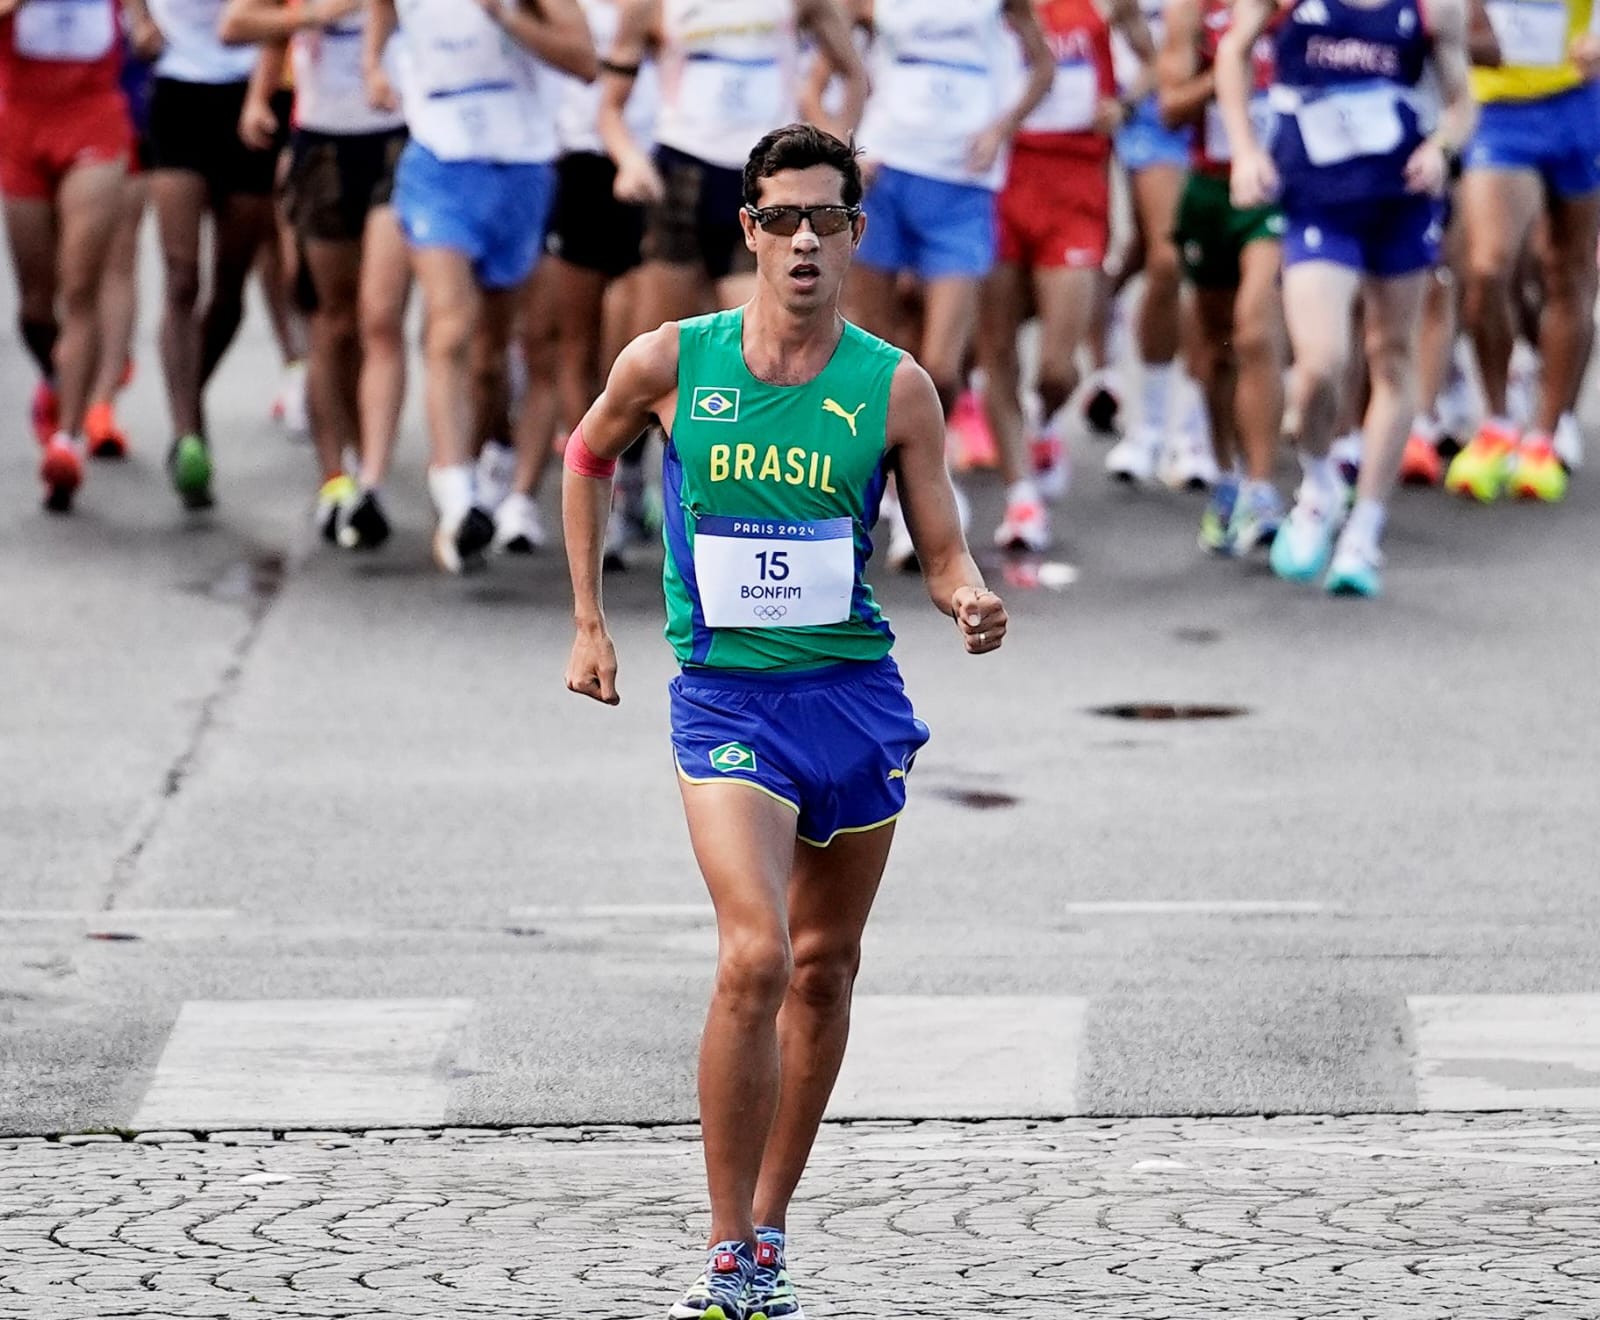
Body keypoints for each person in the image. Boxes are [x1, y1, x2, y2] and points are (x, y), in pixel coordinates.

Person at [563, 123, 1007, 1320]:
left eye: (827, 219)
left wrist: (965, 595)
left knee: (824, 968)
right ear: (747, 230)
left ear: (856, 233)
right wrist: (591, 623)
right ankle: (722, 1246)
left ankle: (767, 1229)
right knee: (754, 953)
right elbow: (585, 453)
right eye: (780, 219)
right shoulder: (673, 359)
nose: (804, 241)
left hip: (852, 696)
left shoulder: (893, 384)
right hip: (723, 697)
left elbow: (942, 546)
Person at [1221, 0, 1476, 596]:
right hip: (1317, 197)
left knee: (1391, 353)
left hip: (1400, 199)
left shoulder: (1433, 9)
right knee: (1320, 364)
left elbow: (1463, 101)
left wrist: (1441, 148)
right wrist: (1245, 149)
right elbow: (1233, 51)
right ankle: (1318, 483)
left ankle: (1365, 528)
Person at [367, 0, 596, 573]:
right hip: (438, 163)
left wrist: (509, 18)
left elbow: (585, 61)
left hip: (521, 169)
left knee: (491, 360)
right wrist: (375, 67)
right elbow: (383, 19)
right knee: (448, 327)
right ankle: (456, 495)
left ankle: (481, 467)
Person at [840, 0, 1054, 567]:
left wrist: (1001, 129)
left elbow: (1042, 65)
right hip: (885, 176)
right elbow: (830, 63)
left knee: (939, 367)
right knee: (874, 357)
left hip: (962, 181)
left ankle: (925, 477)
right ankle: (901, 495)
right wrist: (849, 145)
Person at [225, 0, 411, 546]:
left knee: (379, 316)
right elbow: (238, 22)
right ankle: (335, 475)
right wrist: (261, 95)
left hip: (395, 140)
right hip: (322, 144)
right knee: (334, 320)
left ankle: (371, 478)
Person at [981, 0, 1156, 551]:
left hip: (1076, 188)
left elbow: (1155, 62)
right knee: (997, 349)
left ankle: (1044, 420)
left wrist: (1124, 105)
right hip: (1002, 182)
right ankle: (1021, 498)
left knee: (1059, 367)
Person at [599, 0, 869, 326]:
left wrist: (837, 158)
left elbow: (853, 74)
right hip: (682, 170)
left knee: (764, 332)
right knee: (665, 338)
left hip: (765, 178)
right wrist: (629, 160)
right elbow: (610, 107)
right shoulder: (648, 5)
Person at [1444, 0, 1600, 502]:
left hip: (1578, 105)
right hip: (1499, 114)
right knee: (1488, 267)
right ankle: (1497, 421)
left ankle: (1547, 432)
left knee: (1568, 271)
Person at [0, 0, 147, 510]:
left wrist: (146, 28)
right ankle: (60, 380)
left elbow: (146, 32)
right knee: (36, 307)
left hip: (95, 122)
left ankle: (66, 442)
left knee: (80, 287)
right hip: (22, 129)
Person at [1159, 0, 1288, 555]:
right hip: (1212, 190)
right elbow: (1170, 108)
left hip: (1277, 189)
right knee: (1218, 348)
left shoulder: (1301, 12)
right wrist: (1230, 72)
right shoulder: (1194, 12)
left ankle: (1263, 488)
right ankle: (1228, 474)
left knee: (1255, 332)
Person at [143, 0, 282, 509]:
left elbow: (285, 14)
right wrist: (139, 19)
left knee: (229, 289)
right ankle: (188, 434)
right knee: (181, 279)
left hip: (248, 95)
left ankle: (188, 396)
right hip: (177, 93)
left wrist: (266, 89)